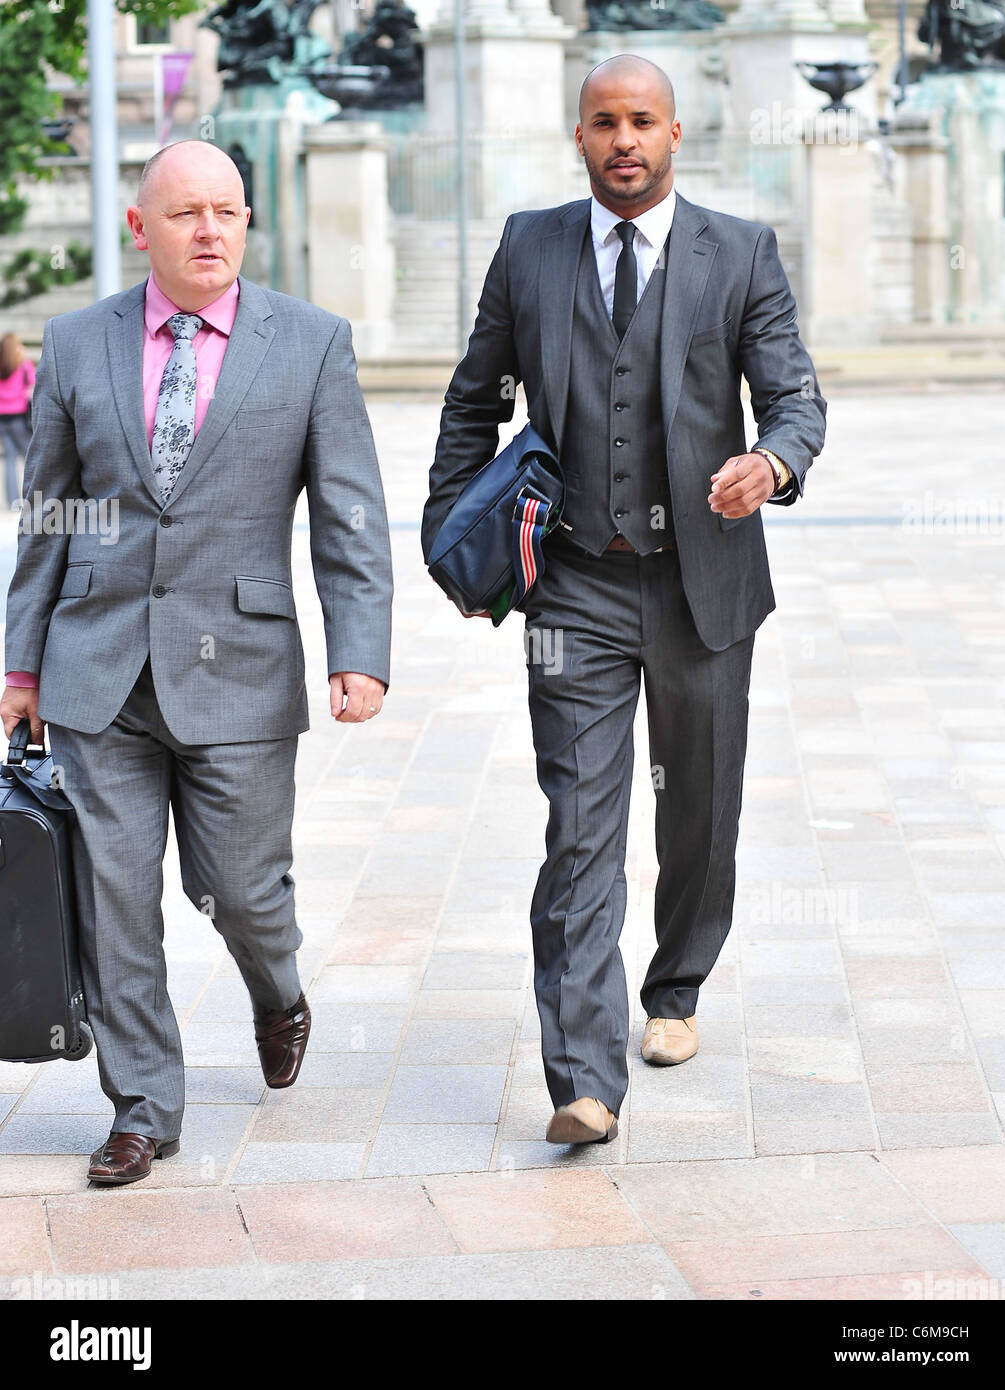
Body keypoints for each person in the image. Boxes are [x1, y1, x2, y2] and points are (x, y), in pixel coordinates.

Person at [423, 56, 827, 1146]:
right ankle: (582, 1077)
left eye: (640, 120)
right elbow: (474, 402)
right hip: (572, 587)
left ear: (675, 132)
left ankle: (677, 985)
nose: (622, 140)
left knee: (697, 812)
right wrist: (450, 538)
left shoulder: (736, 251)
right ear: (578, 134)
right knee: (579, 832)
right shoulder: (528, 246)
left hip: (705, 584)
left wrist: (773, 465)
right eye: (602, 121)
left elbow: (792, 395)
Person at [1, 140, 393, 1185]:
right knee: (116, 893)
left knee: (241, 889)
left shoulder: (309, 343)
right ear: (142, 228)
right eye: (185, 214)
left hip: (243, 670)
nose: (209, 229)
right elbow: (50, 513)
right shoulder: (79, 342)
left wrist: (360, 649)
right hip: (99, 669)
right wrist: (22, 662)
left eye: (227, 210)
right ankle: (144, 1107)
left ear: (248, 221)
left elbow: (347, 513)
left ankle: (279, 991)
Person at [0, 332, 35, 508]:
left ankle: (13, 501)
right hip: (18, 418)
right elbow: (32, 386)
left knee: (10, 458)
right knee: (31, 456)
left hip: (1, 418)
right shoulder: (23, 365)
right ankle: (33, 495)